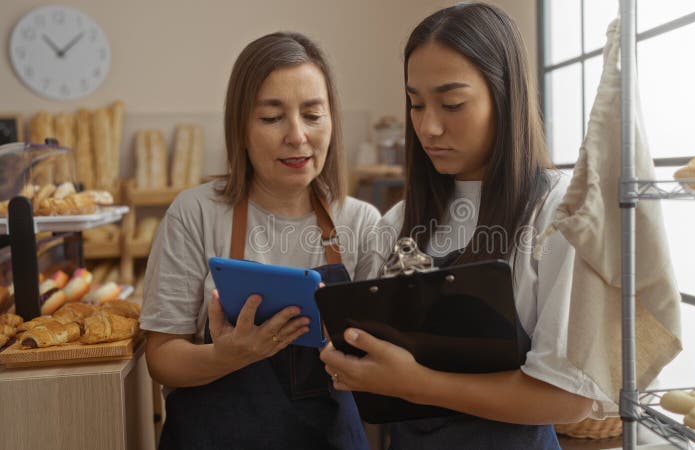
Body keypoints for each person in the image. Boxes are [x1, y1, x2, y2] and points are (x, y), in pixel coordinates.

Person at [320, 4, 615, 449]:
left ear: (505, 95)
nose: (428, 127)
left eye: (452, 103)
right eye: (416, 104)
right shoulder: (400, 220)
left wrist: (416, 383)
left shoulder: (557, 210)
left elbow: (567, 398)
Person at [139, 32, 377, 450]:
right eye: (271, 118)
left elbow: (384, 366)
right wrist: (228, 355)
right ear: (241, 128)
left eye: (313, 114)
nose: (297, 136)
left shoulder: (361, 222)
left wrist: (353, 348)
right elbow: (162, 357)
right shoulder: (195, 213)